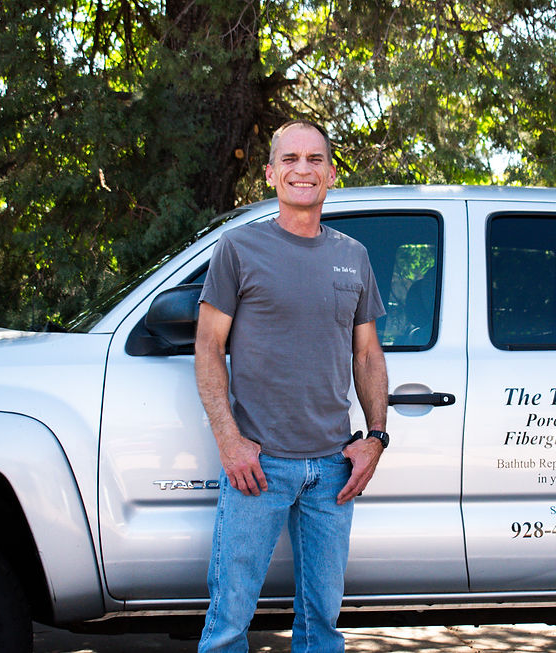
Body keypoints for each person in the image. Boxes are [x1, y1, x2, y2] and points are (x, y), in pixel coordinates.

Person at [194, 119, 390, 653]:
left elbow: (368, 353)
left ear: (330, 173)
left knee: (322, 628)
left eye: (314, 160)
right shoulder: (238, 250)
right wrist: (229, 441)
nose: (302, 169)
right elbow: (208, 347)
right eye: (290, 159)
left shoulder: (353, 256)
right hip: (259, 464)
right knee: (229, 623)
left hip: (333, 468)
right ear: (270, 173)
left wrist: (375, 437)